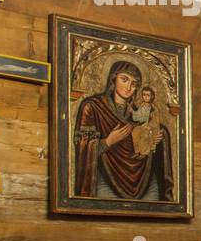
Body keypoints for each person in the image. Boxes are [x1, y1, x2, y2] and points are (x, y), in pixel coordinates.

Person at [73, 59, 174, 202]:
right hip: (106, 179)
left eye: (134, 84)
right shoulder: (93, 107)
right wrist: (108, 141)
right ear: (114, 79)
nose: (129, 87)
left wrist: (154, 138)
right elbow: (82, 147)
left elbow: (147, 134)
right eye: (124, 80)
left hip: (144, 181)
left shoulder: (138, 114)